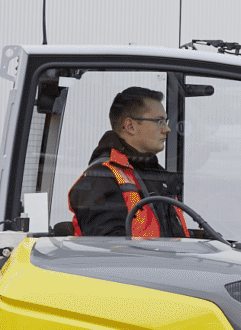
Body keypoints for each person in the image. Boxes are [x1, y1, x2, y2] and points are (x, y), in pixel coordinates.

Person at [67, 86, 195, 239]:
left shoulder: (151, 174)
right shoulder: (101, 179)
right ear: (130, 126)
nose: (167, 129)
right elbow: (109, 253)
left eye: (165, 121)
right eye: (159, 121)